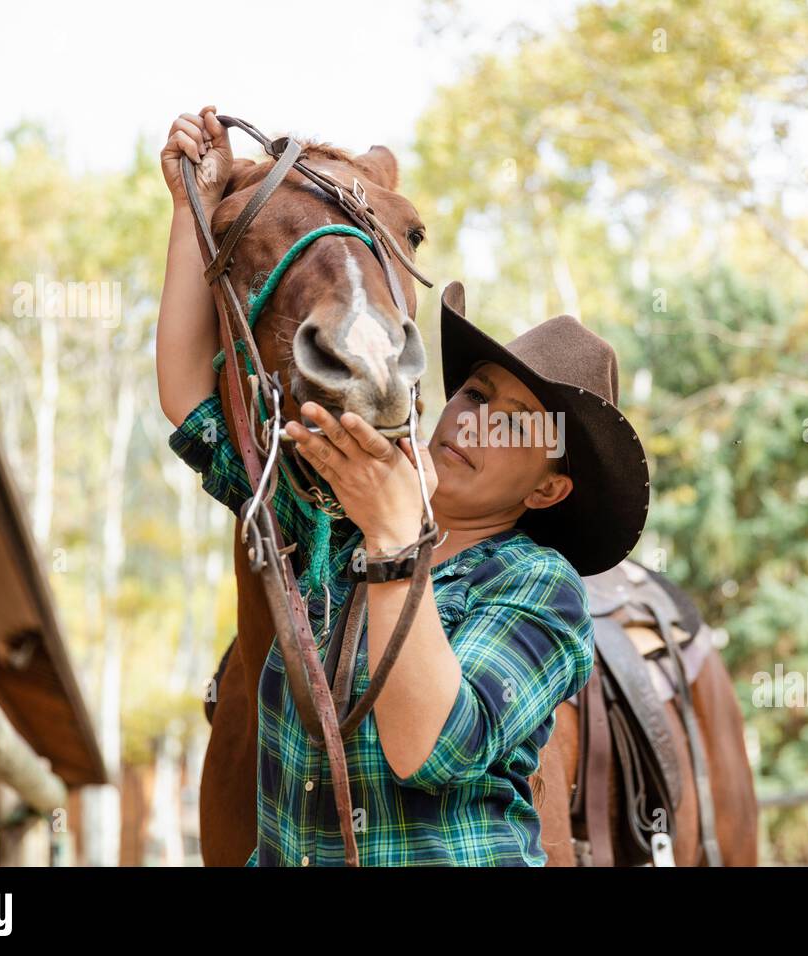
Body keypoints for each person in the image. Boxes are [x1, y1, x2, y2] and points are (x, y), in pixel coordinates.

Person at [156, 107, 648, 865]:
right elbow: (191, 394)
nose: (472, 424)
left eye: (515, 425)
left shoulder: (539, 587)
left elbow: (433, 749)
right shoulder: (321, 517)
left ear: (547, 493)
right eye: (475, 396)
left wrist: (394, 543)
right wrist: (192, 207)